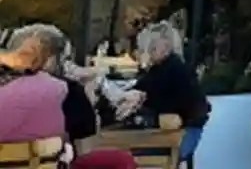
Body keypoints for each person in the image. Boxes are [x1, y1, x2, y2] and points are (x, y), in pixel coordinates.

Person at [1, 24, 137, 169]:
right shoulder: (68, 92)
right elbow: (85, 151)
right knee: (119, 160)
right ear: (50, 58)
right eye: (64, 58)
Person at [125, 21, 209, 167]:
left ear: (165, 46)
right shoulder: (164, 68)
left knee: (123, 153)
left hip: (179, 137)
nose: (147, 51)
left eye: (152, 47)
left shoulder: (173, 70)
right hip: (176, 134)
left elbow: (156, 98)